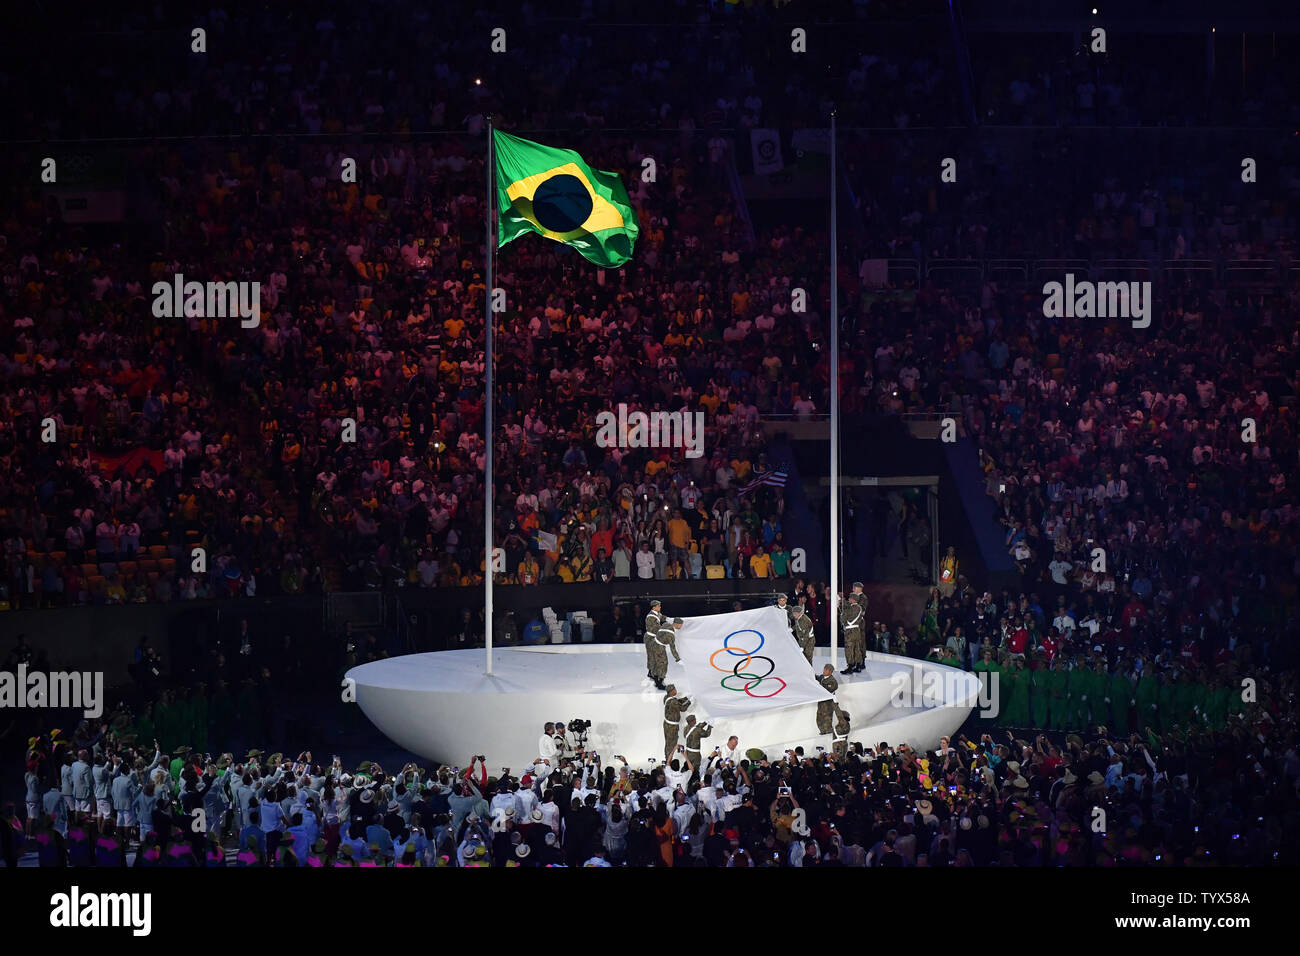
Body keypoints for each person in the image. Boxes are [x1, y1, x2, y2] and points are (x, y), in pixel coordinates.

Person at [650, 616, 683, 691]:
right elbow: (672, 648)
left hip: (653, 643)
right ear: (676, 624)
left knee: (656, 663)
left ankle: (656, 679)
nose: (681, 626)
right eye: (680, 625)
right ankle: (659, 682)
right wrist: (677, 659)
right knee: (663, 664)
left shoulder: (666, 624)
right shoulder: (671, 635)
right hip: (659, 647)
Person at [662, 685, 691, 763]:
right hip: (672, 727)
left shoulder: (667, 697)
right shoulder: (672, 701)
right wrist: (689, 702)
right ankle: (668, 761)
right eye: (675, 689)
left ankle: (667, 759)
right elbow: (682, 708)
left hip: (667, 724)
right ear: (671, 691)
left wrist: (686, 698)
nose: (676, 690)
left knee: (668, 743)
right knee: (671, 744)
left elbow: (677, 701)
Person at [840, 593, 866, 675]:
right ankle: (858, 665)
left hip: (850, 631)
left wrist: (842, 615)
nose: (849, 599)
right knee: (857, 648)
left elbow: (844, 617)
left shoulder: (852, 608)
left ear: (853, 599)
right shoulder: (859, 608)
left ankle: (850, 666)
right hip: (856, 630)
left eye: (850, 598)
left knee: (849, 649)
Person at [644, 599, 663, 681]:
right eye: (658, 606)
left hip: (655, 637)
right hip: (650, 638)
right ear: (654, 607)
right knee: (651, 655)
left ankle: (652, 671)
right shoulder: (651, 617)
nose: (660, 607)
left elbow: (663, 618)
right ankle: (651, 672)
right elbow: (653, 629)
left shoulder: (657, 614)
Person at [816, 665, 838, 736]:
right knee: (819, 719)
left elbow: (827, 691)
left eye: (826, 670)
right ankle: (822, 733)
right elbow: (817, 678)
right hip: (821, 703)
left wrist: (818, 688)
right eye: (824, 669)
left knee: (827, 722)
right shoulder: (822, 677)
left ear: (830, 672)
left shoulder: (833, 682)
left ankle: (829, 735)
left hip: (828, 705)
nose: (824, 671)